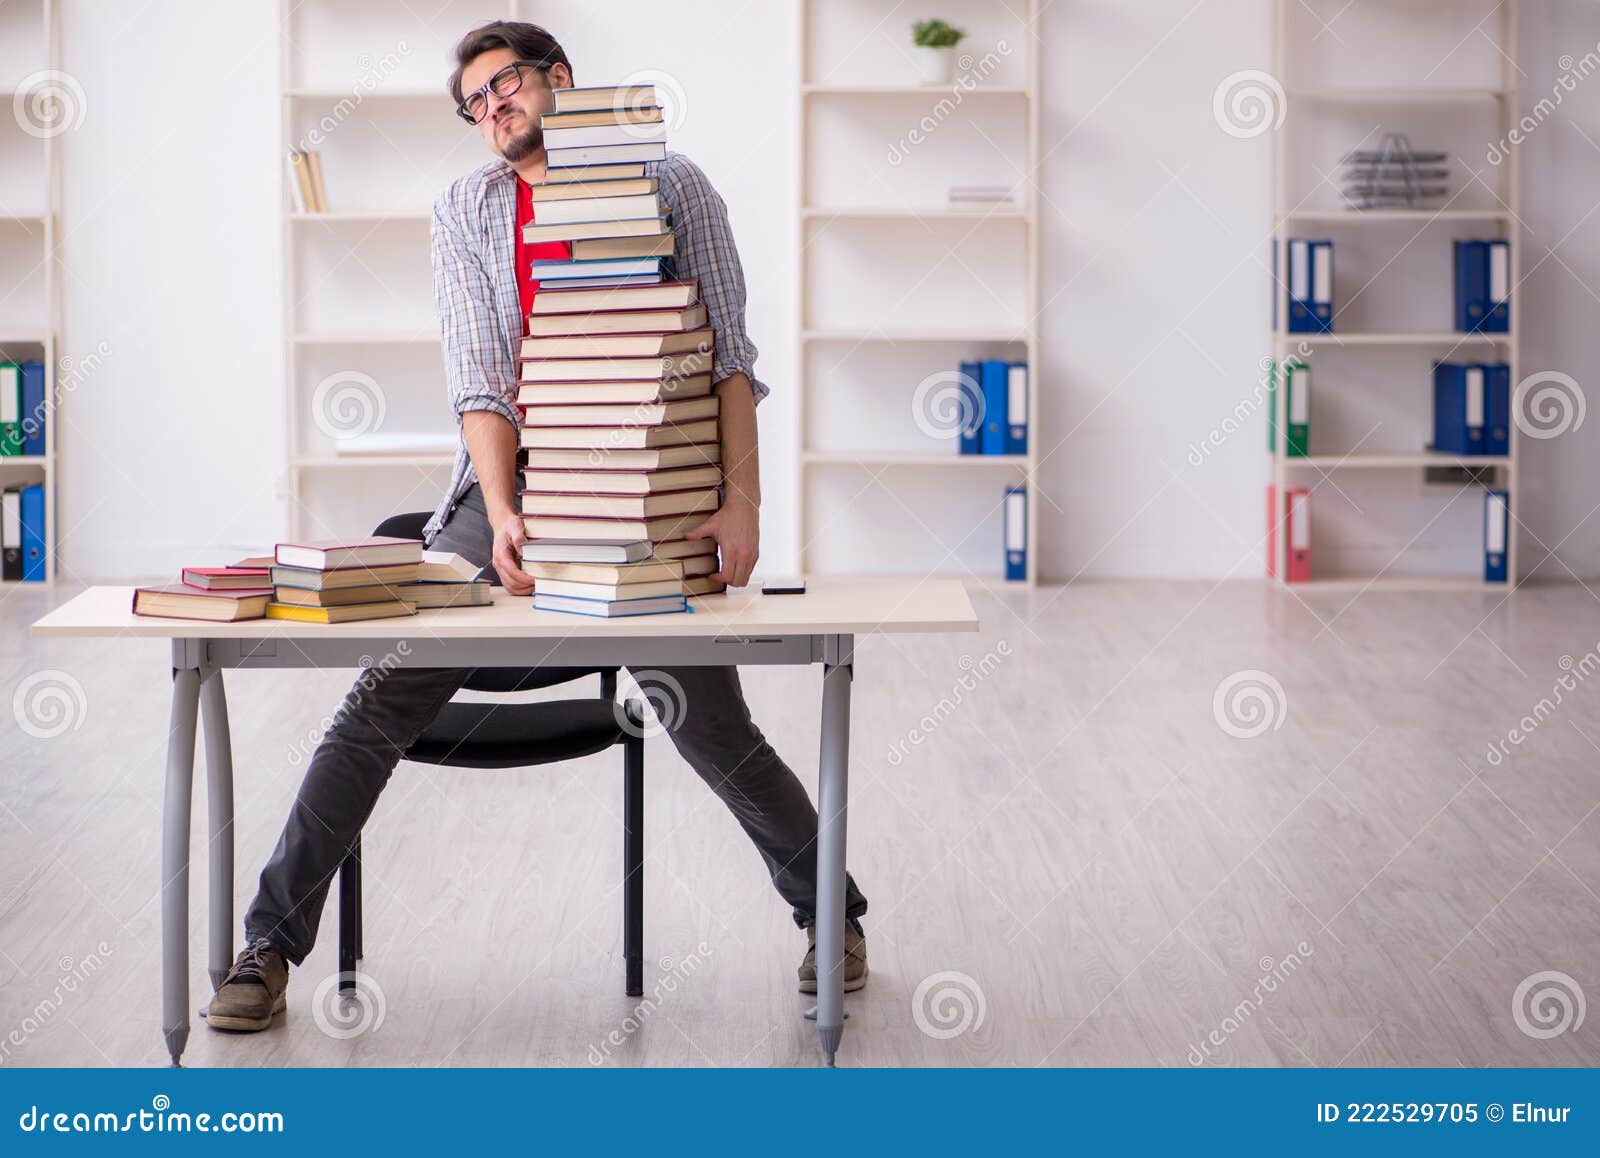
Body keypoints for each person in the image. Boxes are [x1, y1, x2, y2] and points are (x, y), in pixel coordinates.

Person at [204, 20, 868, 1034]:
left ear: (559, 77)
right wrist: (504, 511)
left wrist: (744, 498)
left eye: (503, 84)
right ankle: (267, 945)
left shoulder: (670, 182)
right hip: (508, 486)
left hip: (648, 488)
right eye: (473, 102)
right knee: (384, 689)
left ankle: (832, 912)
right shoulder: (465, 210)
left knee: (704, 717)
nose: (491, 109)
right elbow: (479, 378)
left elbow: (729, 352)